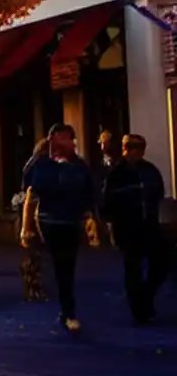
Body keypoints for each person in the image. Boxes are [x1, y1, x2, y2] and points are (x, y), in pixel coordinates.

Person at [22, 124, 96, 333]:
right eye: (59, 138)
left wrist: (90, 215)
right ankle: (68, 309)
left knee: (67, 265)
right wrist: (39, 154)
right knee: (60, 263)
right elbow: (27, 181)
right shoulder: (44, 164)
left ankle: (67, 309)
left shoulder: (78, 166)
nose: (64, 143)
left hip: (71, 221)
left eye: (68, 138)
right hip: (49, 221)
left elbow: (90, 190)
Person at [101, 134, 169, 325]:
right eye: (130, 148)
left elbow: (158, 196)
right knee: (133, 269)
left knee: (161, 264)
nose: (134, 152)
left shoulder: (150, 171)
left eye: (138, 148)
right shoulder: (116, 174)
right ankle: (139, 310)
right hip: (127, 227)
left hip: (150, 225)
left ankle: (145, 298)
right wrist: (111, 225)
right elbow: (107, 203)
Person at [18, 138, 49, 302]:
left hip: (30, 211)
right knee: (36, 253)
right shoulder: (40, 165)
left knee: (33, 254)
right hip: (35, 212)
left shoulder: (32, 163)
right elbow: (31, 191)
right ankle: (35, 287)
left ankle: (33, 287)